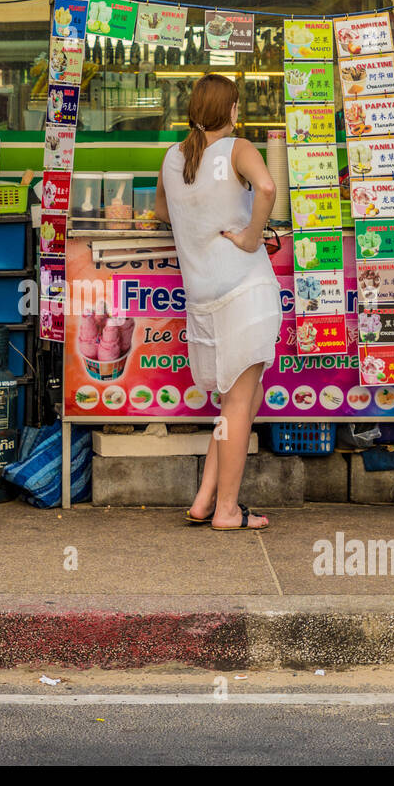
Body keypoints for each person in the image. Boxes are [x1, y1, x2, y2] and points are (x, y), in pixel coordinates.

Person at [155, 73, 278, 531]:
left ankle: (206, 497)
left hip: (202, 295)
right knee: (240, 402)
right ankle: (228, 509)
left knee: (237, 400)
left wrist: (199, 223)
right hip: (243, 290)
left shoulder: (173, 158)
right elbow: (266, 188)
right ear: (231, 110)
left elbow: (163, 211)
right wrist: (249, 236)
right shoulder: (238, 148)